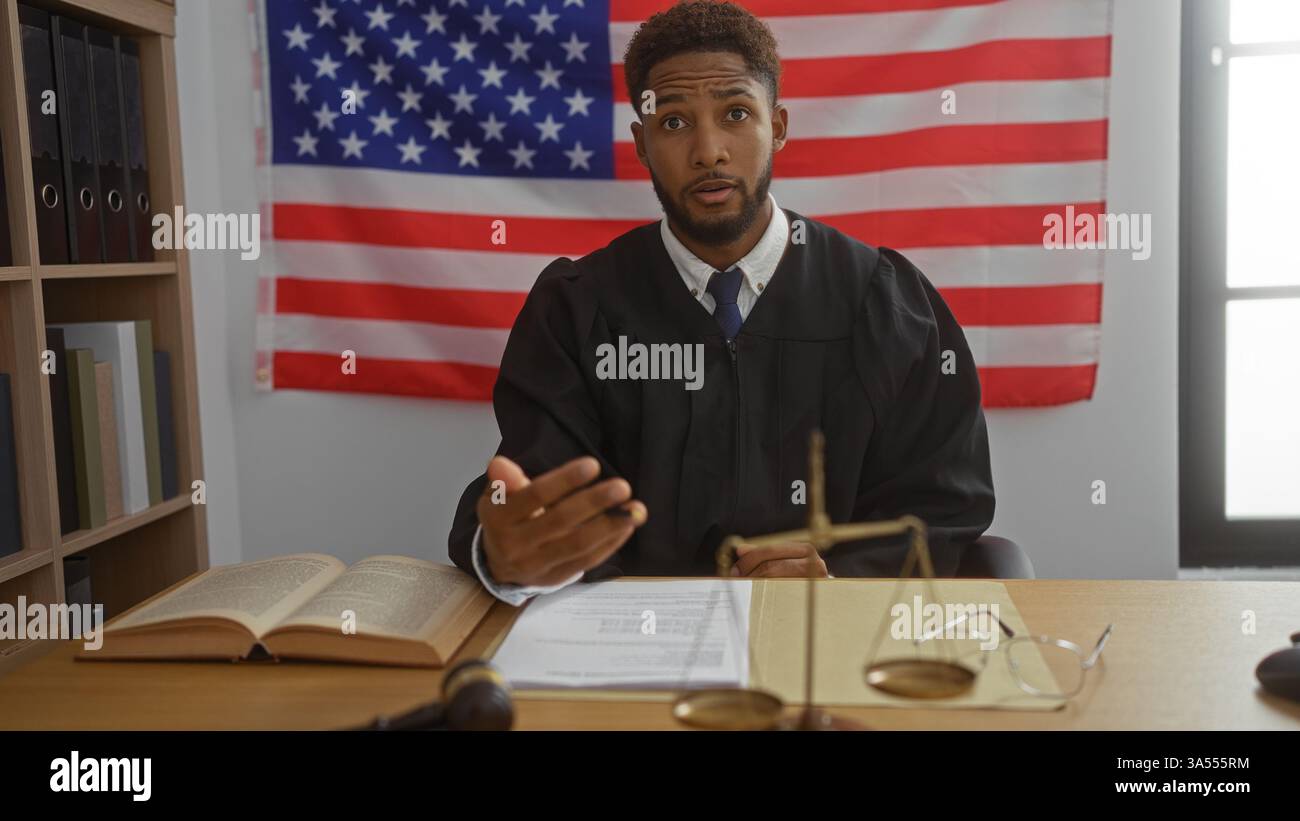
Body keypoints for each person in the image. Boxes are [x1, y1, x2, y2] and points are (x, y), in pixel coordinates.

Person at [448, 1, 995, 605]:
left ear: (778, 126)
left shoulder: (885, 303)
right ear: (641, 142)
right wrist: (508, 557)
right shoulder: (578, 310)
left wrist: (840, 588)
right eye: (674, 122)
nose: (708, 150)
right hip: (633, 659)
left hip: (826, 649)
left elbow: (943, 502)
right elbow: (533, 498)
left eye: (736, 113)